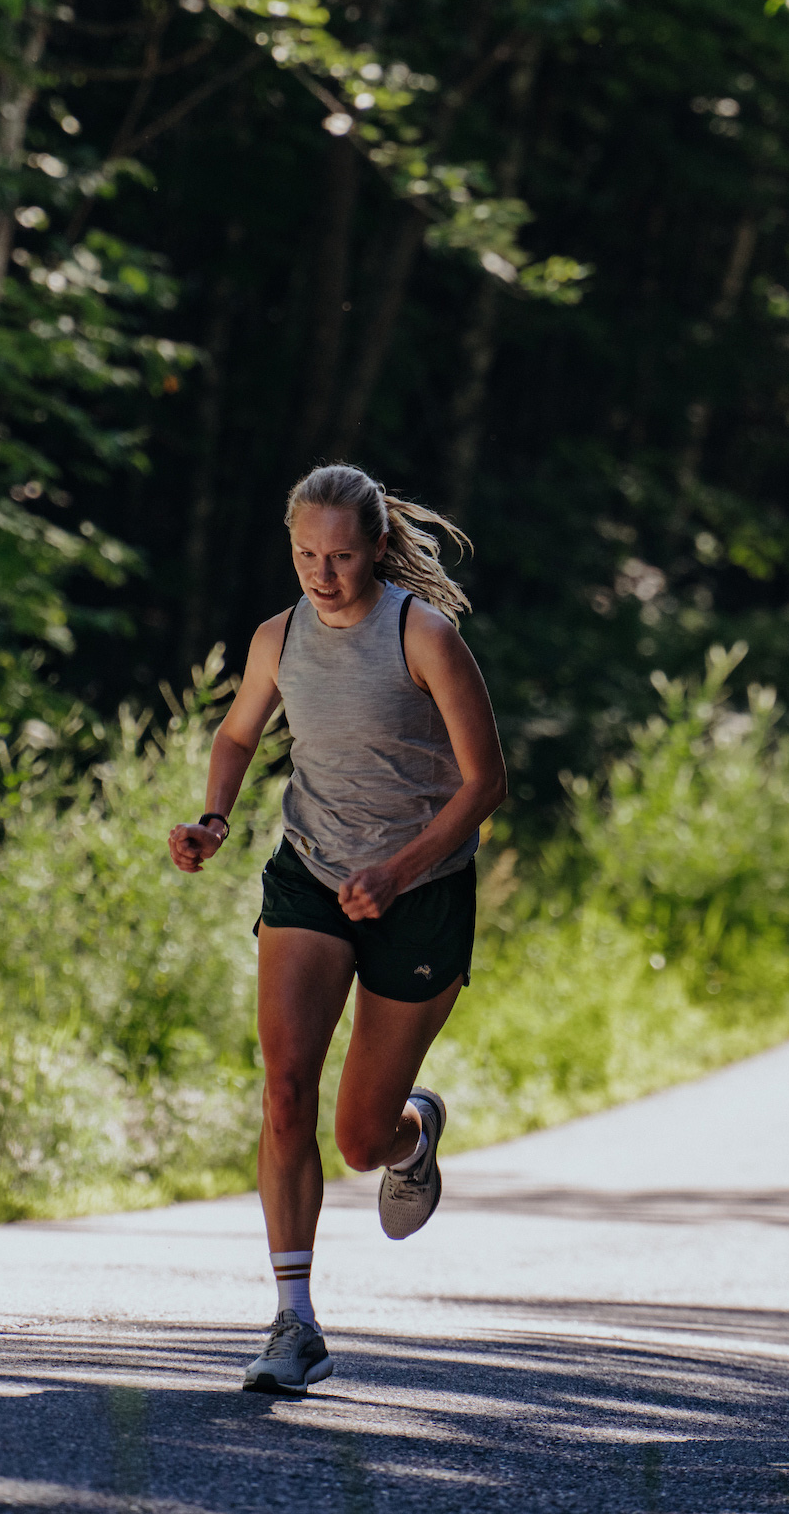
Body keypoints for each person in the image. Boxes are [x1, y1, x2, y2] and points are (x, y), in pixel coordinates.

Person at [167, 464, 507, 1395]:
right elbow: (238, 735)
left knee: (358, 1137)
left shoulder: (423, 636)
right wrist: (215, 818)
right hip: (312, 875)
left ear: (380, 549)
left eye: (343, 557)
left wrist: (396, 871)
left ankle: (412, 1133)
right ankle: (294, 1319)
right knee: (284, 1088)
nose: (322, 574)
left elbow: (486, 782)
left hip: (421, 891)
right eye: (306, 555)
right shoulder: (279, 638)